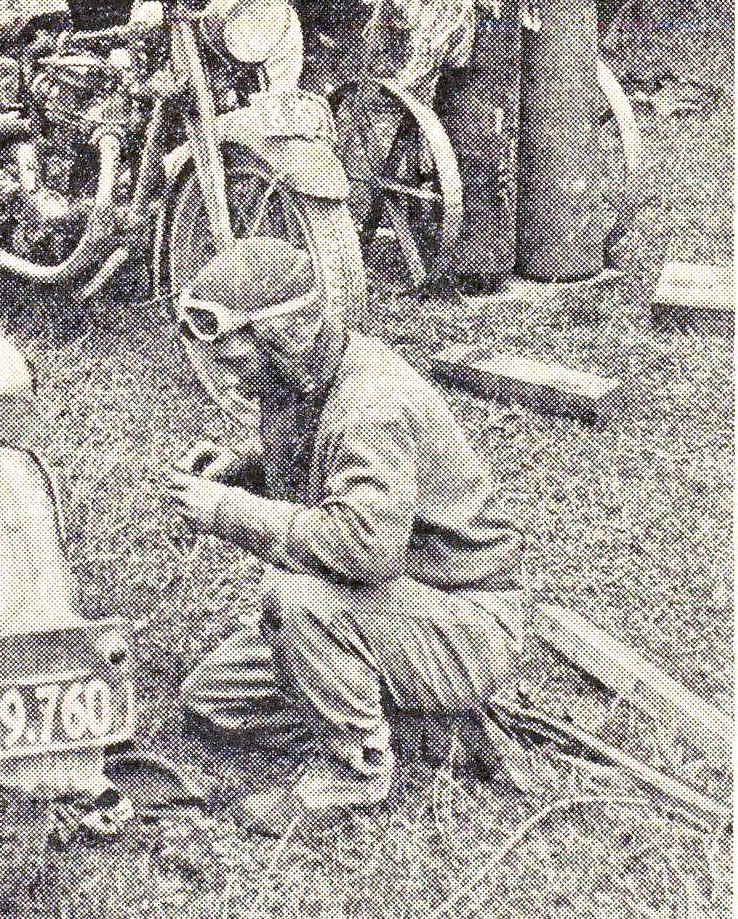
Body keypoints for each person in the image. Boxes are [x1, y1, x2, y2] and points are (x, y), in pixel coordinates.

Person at [161, 239, 528, 831]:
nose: (225, 377)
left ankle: (355, 762)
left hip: (471, 617)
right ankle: (416, 716)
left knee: (290, 599)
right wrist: (248, 466)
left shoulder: (367, 400)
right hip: (415, 595)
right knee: (215, 695)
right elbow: (318, 465)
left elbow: (362, 548)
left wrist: (228, 510)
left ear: (286, 334)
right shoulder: (311, 381)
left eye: (235, 356)